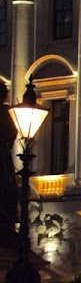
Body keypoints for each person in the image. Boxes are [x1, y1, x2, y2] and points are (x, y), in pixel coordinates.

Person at [0, 83, 18, 244]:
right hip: (4, 156)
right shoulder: (7, 112)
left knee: (7, 187)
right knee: (8, 186)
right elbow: (12, 133)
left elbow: (12, 133)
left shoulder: (6, 112)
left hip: (3, 156)